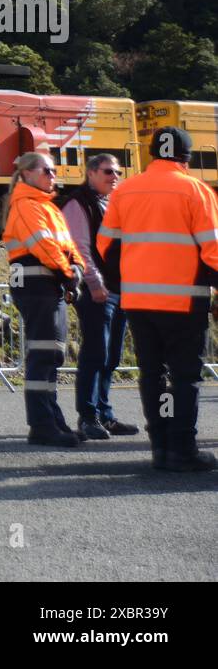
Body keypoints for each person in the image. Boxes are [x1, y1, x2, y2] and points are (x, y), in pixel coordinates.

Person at [97, 127, 218, 472]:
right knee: (184, 377)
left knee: (154, 375)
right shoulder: (197, 191)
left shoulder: (126, 190)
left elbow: (106, 246)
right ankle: (182, 448)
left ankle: (161, 445)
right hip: (183, 303)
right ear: (186, 157)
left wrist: (127, 282)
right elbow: (214, 252)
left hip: (138, 302)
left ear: (152, 153)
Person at [3, 151, 86, 447]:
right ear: (26, 174)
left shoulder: (47, 207)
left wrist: (76, 267)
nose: (53, 175)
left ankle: (51, 419)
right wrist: (68, 272)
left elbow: (68, 245)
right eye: (47, 170)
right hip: (37, 284)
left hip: (47, 284)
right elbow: (44, 245)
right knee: (43, 354)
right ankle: (41, 424)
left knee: (52, 354)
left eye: (53, 170)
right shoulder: (27, 205)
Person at [57, 154, 137, 441]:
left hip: (120, 289)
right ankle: (88, 416)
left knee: (111, 355)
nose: (114, 176)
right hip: (98, 291)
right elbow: (79, 248)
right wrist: (95, 283)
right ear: (91, 173)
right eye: (108, 171)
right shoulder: (79, 203)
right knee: (96, 353)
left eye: (118, 171)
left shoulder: (113, 203)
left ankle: (105, 414)